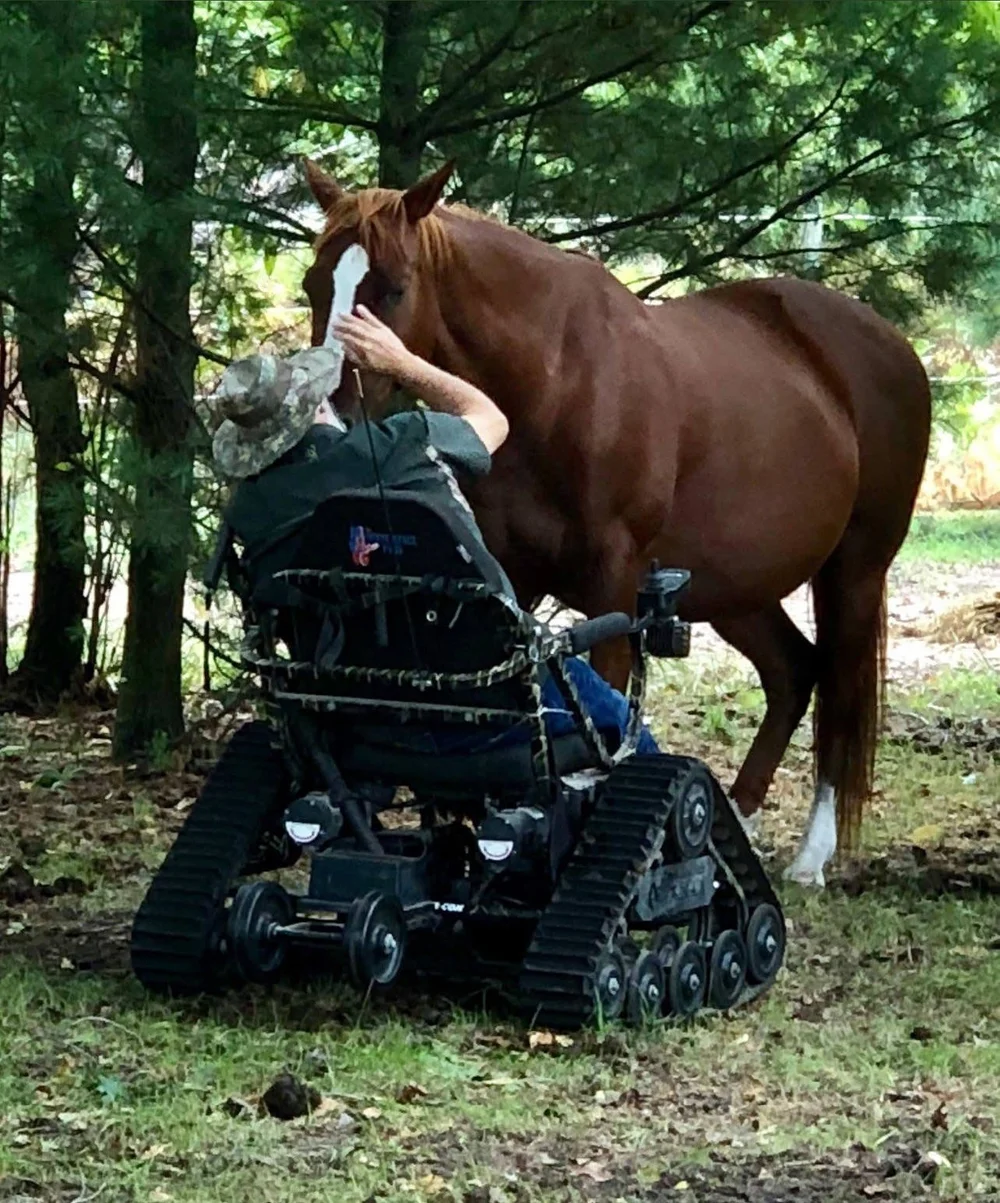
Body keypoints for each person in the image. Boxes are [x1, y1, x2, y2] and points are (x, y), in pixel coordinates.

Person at [211, 306, 658, 755]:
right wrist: (403, 364)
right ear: (318, 403)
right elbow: (491, 421)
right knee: (626, 730)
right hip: (494, 697)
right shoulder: (400, 446)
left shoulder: (248, 511)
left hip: (351, 714)